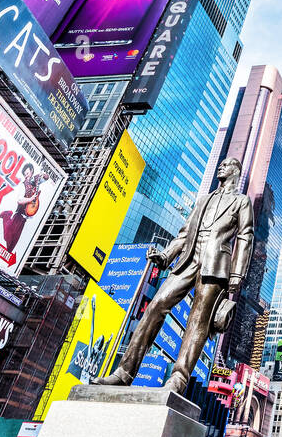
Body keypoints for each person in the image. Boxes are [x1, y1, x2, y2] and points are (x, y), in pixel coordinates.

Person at [93, 157, 253, 395]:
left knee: (198, 321)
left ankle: (178, 379)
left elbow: (245, 235)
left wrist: (237, 274)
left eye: (228, 164)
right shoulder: (203, 199)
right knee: (156, 304)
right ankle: (124, 373)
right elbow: (185, 232)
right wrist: (166, 256)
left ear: (236, 172)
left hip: (216, 265)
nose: (222, 166)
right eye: (221, 163)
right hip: (188, 259)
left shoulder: (242, 201)